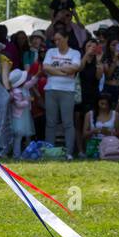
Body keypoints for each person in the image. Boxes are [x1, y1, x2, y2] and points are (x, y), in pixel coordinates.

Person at [42, 29, 80, 157]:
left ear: (66, 38)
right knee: (50, 122)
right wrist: (64, 72)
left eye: (59, 39)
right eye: (55, 40)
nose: (57, 42)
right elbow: (45, 67)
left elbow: (75, 68)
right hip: (51, 89)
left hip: (67, 91)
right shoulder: (50, 51)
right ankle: (49, 151)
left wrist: (54, 70)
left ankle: (69, 152)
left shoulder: (75, 53)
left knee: (67, 123)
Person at [7, 69, 35, 157]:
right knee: (18, 136)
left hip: (22, 116)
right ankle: (16, 154)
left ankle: (26, 153)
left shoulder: (22, 89)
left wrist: (37, 75)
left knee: (22, 136)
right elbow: (19, 104)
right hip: (18, 117)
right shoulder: (17, 92)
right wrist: (27, 100)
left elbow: (32, 82)